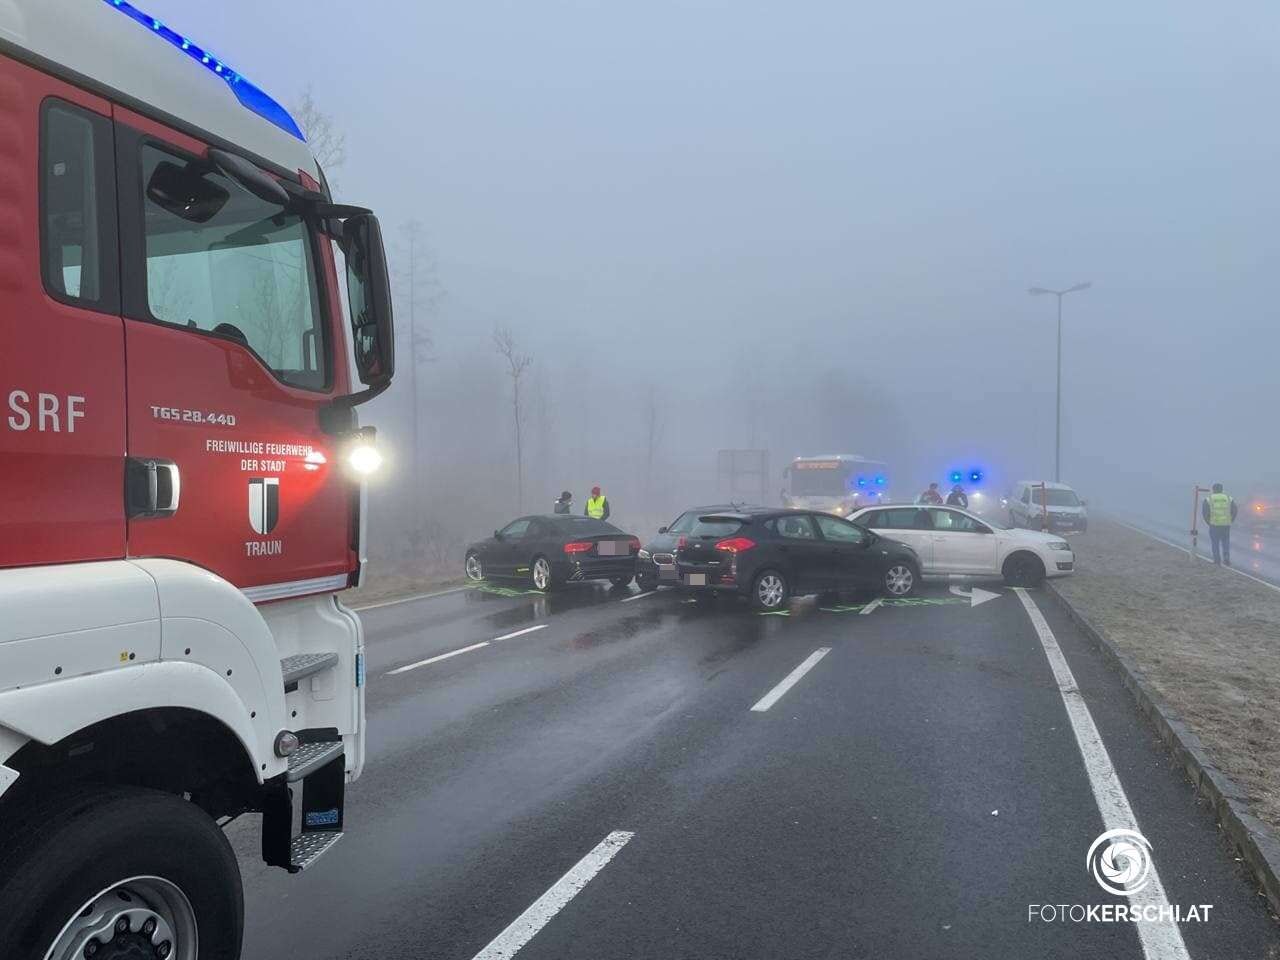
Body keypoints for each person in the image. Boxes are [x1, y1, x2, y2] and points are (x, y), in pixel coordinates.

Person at [1201, 482, 1238, 566]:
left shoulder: (1208, 499)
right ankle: (1226, 558)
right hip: (1226, 525)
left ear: (1213, 489)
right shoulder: (1229, 498)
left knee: (1215, 543)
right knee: (1225, 542)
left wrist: (1209, 522)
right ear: (1222, 489)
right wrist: (1231, 520)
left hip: (1214, 525)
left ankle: (1217, 560)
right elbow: (1235, 510)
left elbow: (1205, 513)